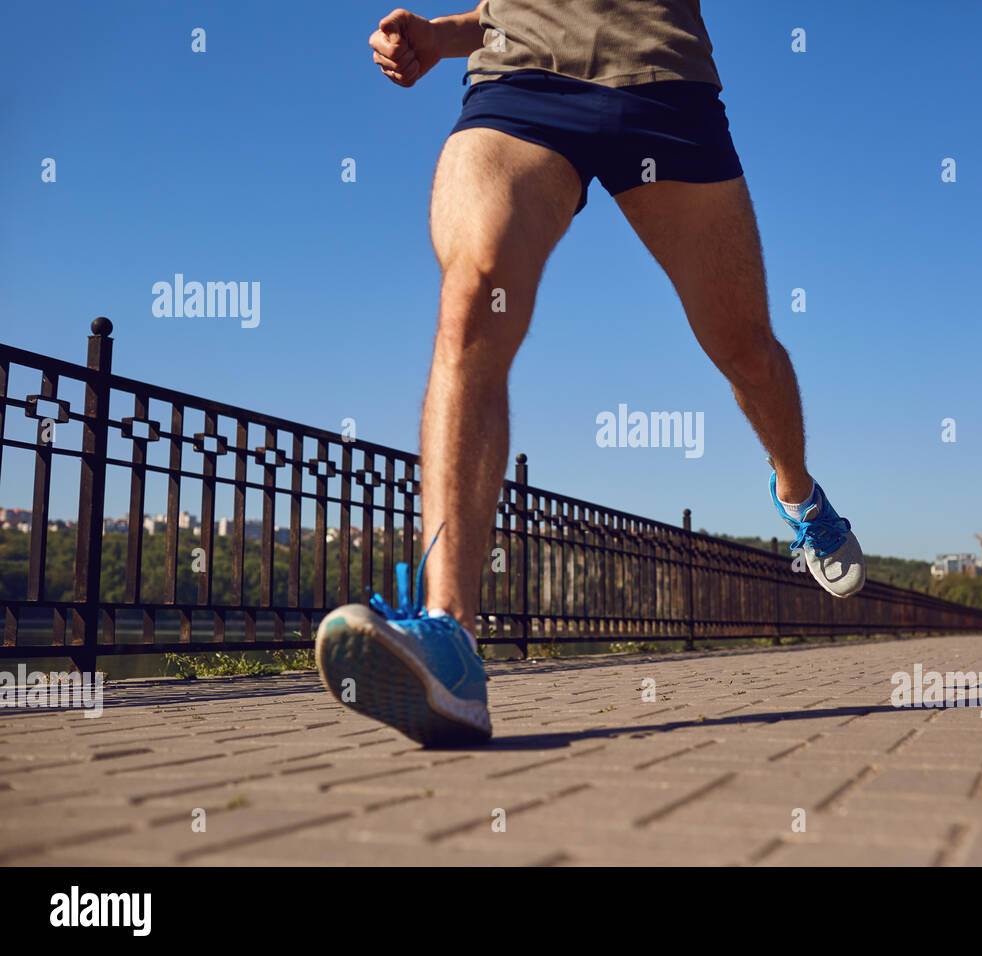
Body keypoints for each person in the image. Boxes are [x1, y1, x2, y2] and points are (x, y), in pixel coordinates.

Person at [315, 2, 866, 746]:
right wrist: (443, 38)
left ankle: (799, 492)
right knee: (473, 297)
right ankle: (450, 640)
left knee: (744, 350)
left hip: (665, 87)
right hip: (521, 83)